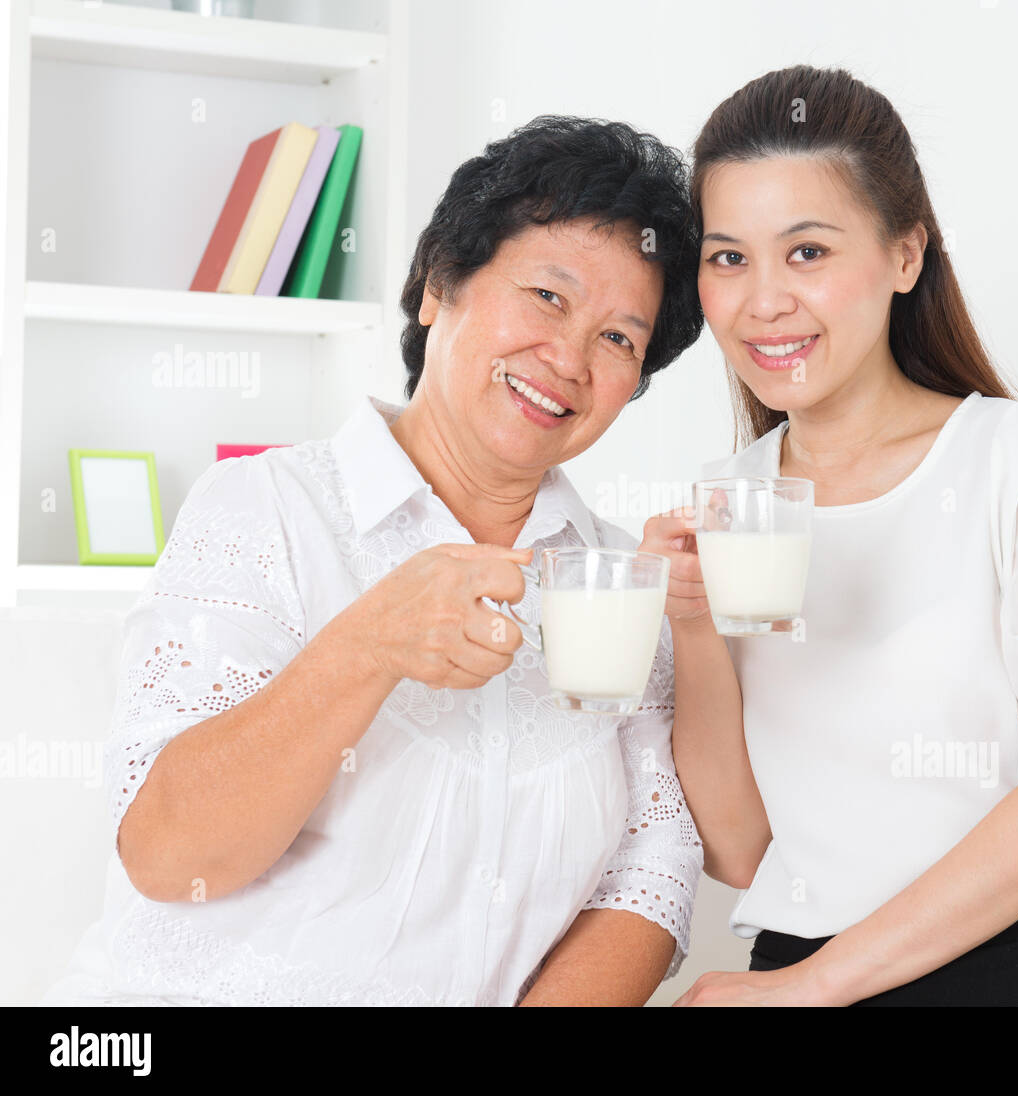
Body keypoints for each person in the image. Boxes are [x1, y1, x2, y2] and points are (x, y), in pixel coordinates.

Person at [42, 116, 704, 1007]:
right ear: (438, 284)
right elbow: (169, 856)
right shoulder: (266, 510)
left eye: (619, 339)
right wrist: (364, 648)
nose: (570, 358)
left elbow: (652, 862)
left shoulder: (621, 580)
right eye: (547, 296)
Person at [641, 65, 1018, 1006]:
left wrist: (808, 991)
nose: (762, 300)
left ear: (906, 256)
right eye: (728, 258)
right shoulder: (728, 501)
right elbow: (742, 849)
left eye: (807, 252)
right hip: (805, 965)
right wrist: (691, 626)